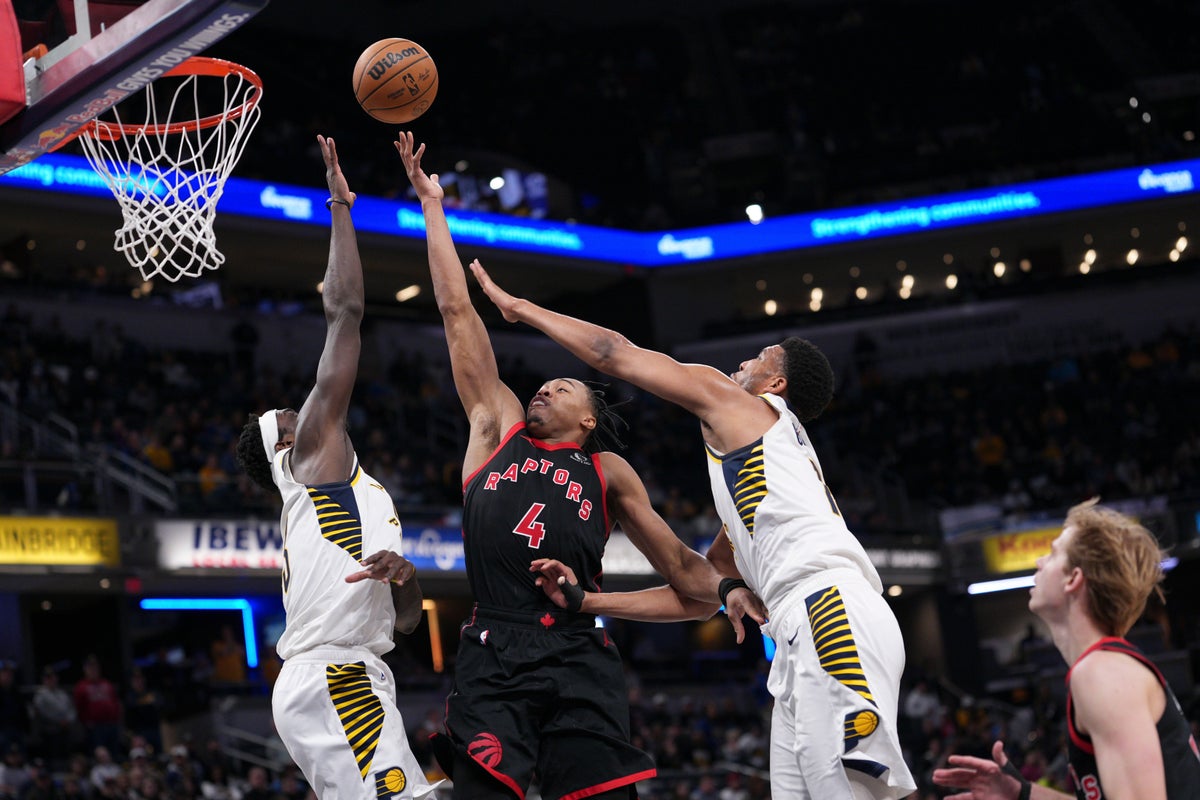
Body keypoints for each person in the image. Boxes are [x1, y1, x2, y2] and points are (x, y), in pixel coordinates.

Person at [395, 132, 766, 800]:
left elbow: (687, 580)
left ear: (589, 419)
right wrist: (432, 207)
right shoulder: (496, 429)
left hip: (573, 650)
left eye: (563, 388)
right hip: (493, 646)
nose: (544, 389)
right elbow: (457, 314)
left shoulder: (609, 473)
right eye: (543, 386)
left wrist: (730, 590)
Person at [467, 262, 917, 799]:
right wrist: (587, 603)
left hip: (828, 608)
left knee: (862, 788)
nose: (741, 363)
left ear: (775, 385)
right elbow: (698, 592)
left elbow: (613, 354)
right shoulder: (760, 483)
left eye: (757, 360)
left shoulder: (749, 408)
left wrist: (519, 309)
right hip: (800, 625)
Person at [234, 136, 439, 800]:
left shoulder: (349, 492)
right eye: (291, 427)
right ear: (284, 455)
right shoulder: (310, 469)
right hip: (336, 679)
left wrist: (406, 580)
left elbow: (405, 624)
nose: (305, 416)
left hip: (350, 675)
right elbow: (345, 313)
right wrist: (341, 207)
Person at [932, 499, 1200, 800]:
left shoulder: (1103, 674)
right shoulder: (1107, 667)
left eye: (1053, 553)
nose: (1039, 562)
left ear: (1073, 579)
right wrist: (1021, 794)